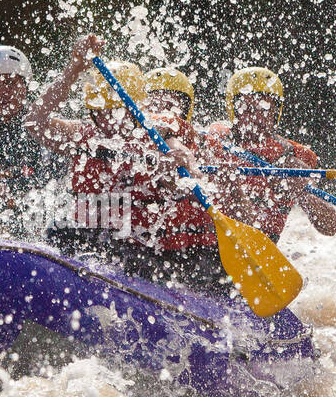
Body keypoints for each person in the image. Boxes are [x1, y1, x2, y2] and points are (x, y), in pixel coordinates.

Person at [25, 51, 230, 295]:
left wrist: (178, 170)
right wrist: (73, 69)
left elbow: (186, 163)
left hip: (145, 251)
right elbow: (34, 122)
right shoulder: (83, 136)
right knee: (60, 230)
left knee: (122, 248)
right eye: (99, 113)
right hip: (96, 241)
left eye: (115, 112)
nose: (107, 122)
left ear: (136, 107)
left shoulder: (160, 135)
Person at [203, 66, 336, 242]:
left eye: (265, 110)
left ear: (276, 112)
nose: (258, 118)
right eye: (249, 109)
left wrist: (303, 192)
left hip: (262, 250)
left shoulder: (291, 158)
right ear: (234, 110)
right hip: (212, 246)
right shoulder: (214, 143)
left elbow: (330, 227)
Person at [0, 44, 69, 238]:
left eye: (11, 82)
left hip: (50, 232)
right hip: (10, 233)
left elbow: (55, 197)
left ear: (26, 86)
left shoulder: (48, 131)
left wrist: (3, 192)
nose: (3, 92)